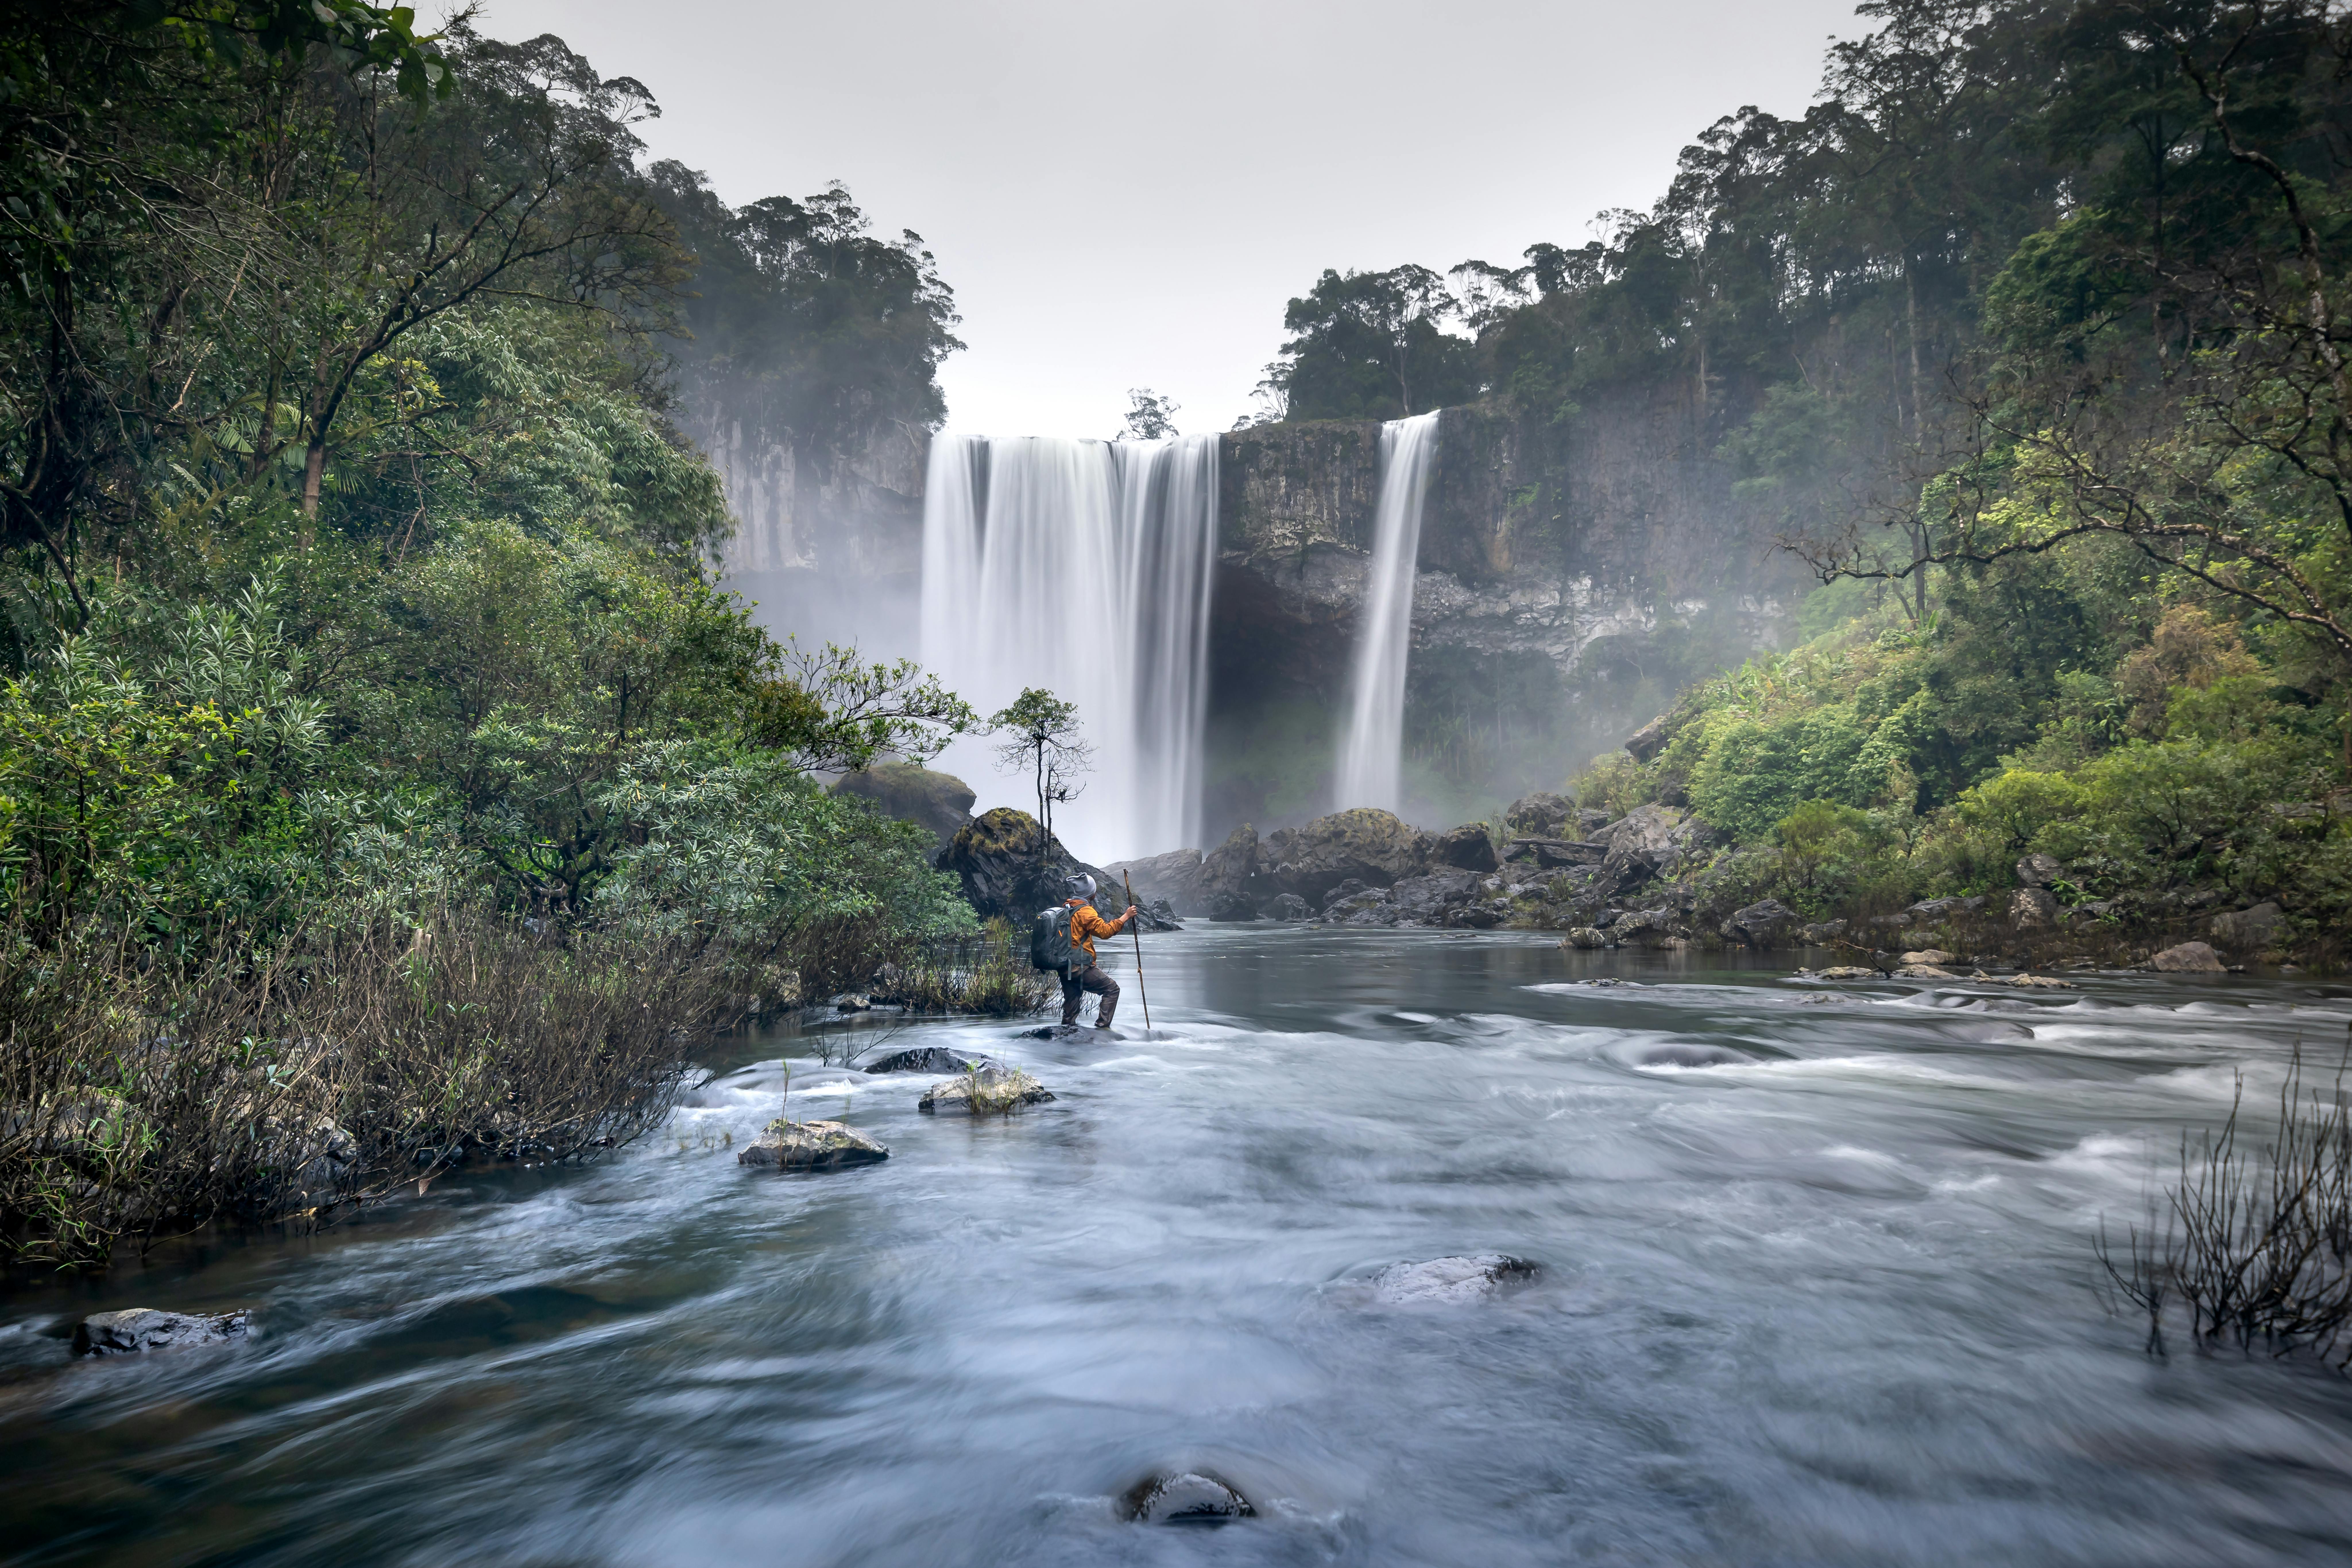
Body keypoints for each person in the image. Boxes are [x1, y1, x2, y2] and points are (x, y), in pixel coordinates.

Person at [1059, 874, 1138, 1029]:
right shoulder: (1085, 912)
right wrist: (1126, 917)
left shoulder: (1067, 907)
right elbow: (1105, 932)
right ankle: (1102, 1029)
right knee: (1112, 989)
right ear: (1091, 893)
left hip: (1065, 967)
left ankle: (1066, 1033)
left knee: (1072, 1003)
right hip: (1080, 968)